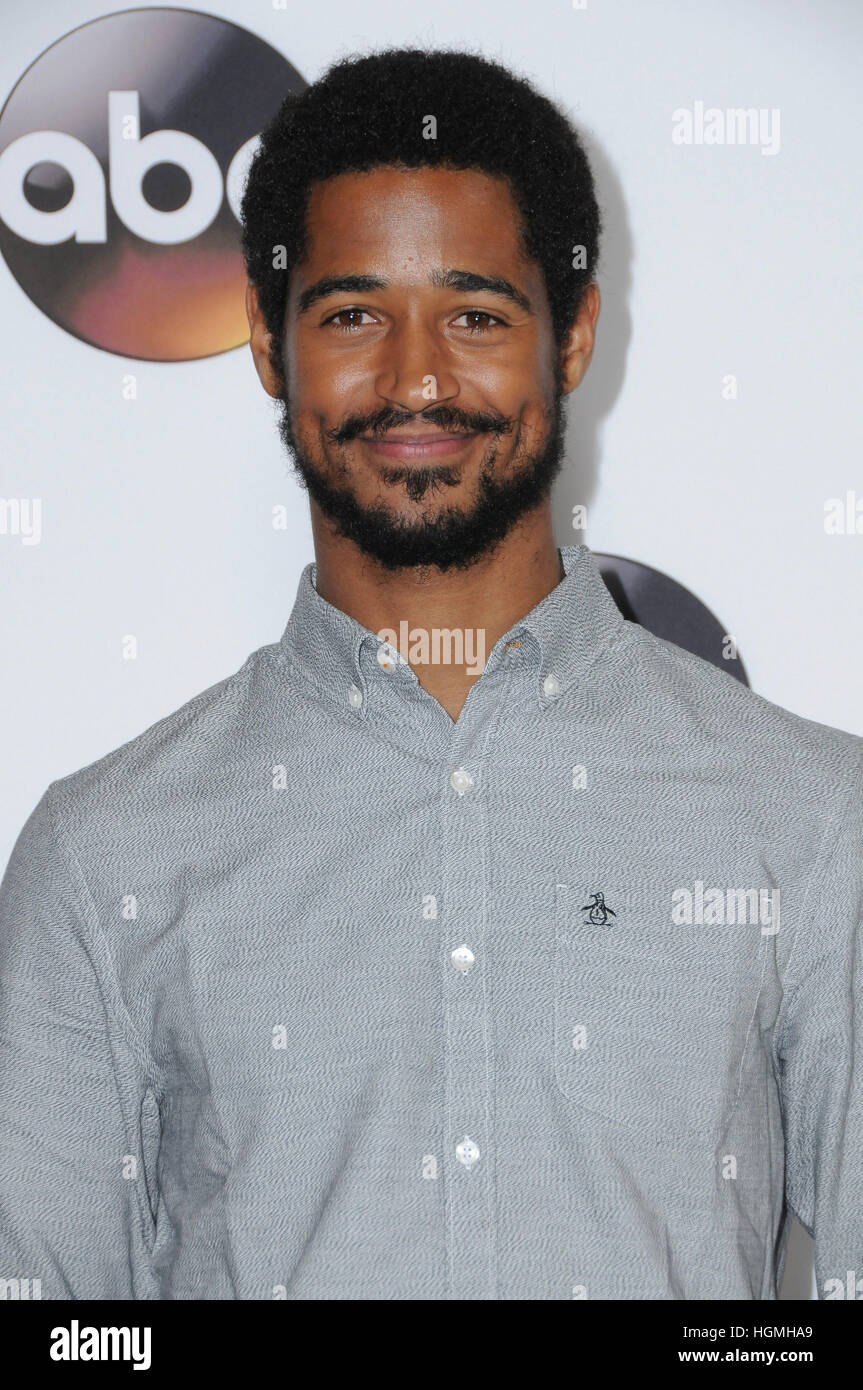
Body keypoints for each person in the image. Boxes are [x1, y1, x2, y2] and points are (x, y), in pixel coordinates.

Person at [0, 46, 860, 1301]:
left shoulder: (809, 819)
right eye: (352, 315)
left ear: (569, 339)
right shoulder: (104, 855)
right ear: (263, 343)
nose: (414, 378)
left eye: (475, 315)